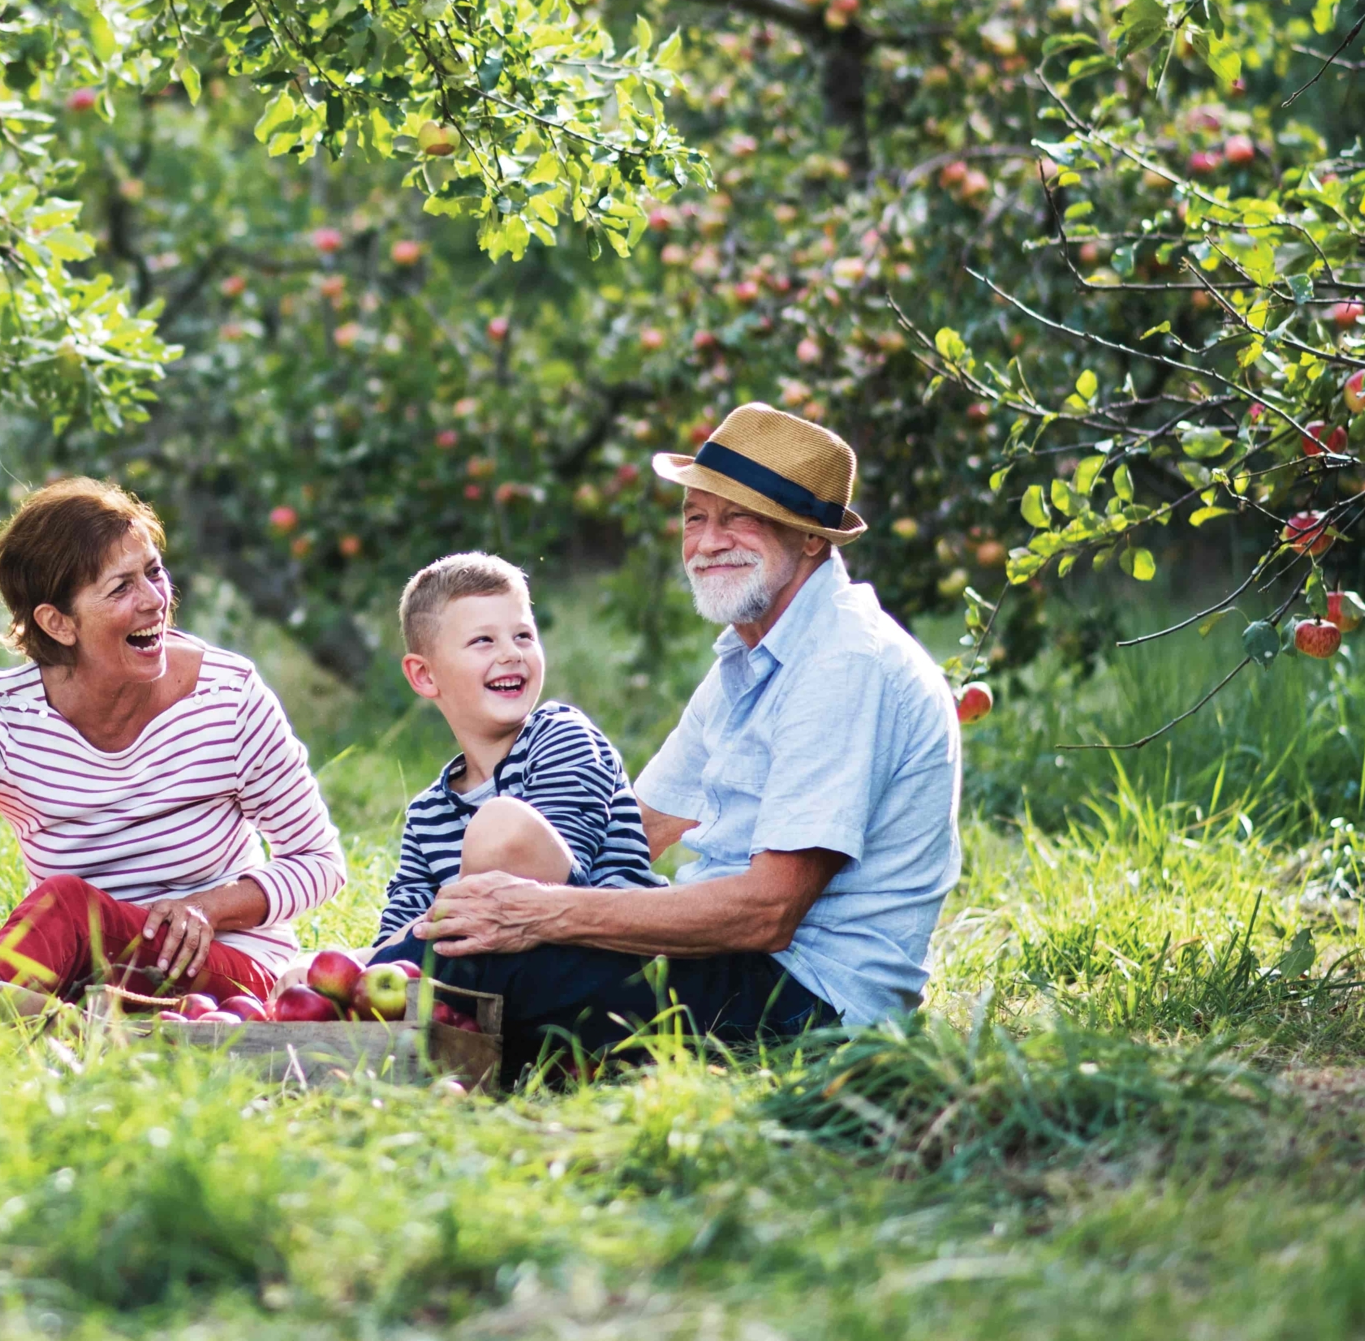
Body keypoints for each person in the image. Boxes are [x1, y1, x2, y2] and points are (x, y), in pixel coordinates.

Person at [397, 403, 962, 1073]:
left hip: (812, 1009)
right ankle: (339, 997)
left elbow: (770, 912)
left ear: (812, 539)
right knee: (479, 950)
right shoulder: (749, 657)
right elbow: (637, 825)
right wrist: (508, 881)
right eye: (696, 517)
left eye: (739, 519)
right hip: (737, 967)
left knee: (494, 965)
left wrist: (544, 915)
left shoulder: (842, 662)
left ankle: (334, 1032)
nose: (707, 541)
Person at [0, 477, 346, 1026]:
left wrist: (209, 905)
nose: (155, 600)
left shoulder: (228, 697)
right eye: (121, 587)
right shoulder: (6, 720)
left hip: (214, 972)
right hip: (59, 971)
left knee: (71, 905)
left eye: (154, 572)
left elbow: (321, 864)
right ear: (57, 623)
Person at [281, 554, 662, 994]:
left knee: (499, 826)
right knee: (375, 979)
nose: (511, 653)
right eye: (483, 640)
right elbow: (395, 946)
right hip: (506, 982)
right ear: (424, 675)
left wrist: (368, 961)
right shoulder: (428, 814)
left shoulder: (562, 736)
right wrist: (351, 967)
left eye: (524, 635)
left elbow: (538, 886)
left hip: (614, 971)